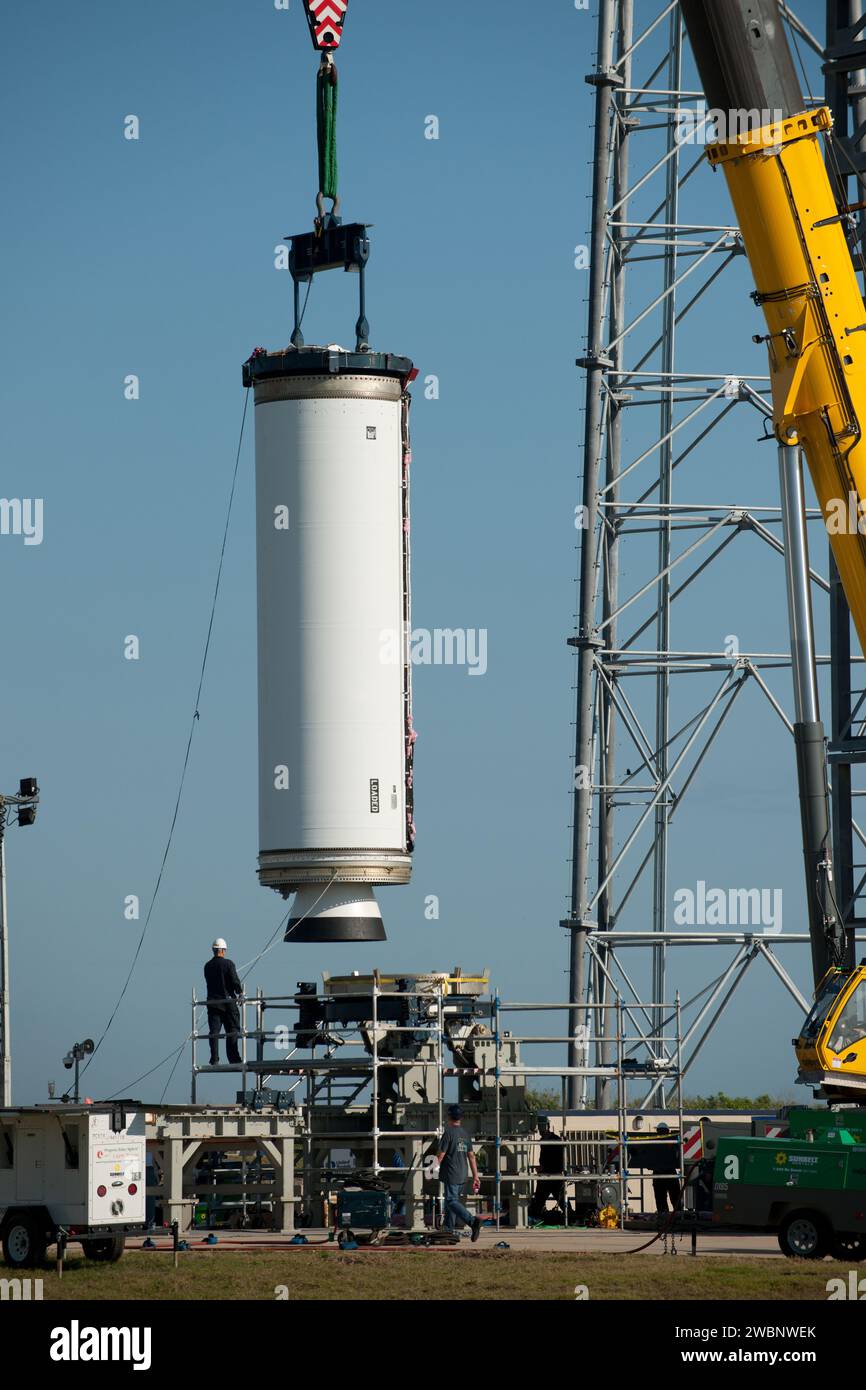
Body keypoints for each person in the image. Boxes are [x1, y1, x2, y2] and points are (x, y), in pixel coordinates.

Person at [436, 1105, 481, 1241]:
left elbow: (440, 1155)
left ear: (449, 1117)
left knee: (451, 1200)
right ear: (461, 1118)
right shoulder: (465, 1134)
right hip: (462, 1174)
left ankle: (472, 1221)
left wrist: (432, 1168)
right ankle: (448, 1230)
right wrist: (475, 1176)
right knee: (452, 1204)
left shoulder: (448, 1133)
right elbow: (472, 1156)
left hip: (451, 1173)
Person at [204, 938, 243, 1065]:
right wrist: (240, 992)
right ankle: (234, 1059)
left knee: (214, 1032)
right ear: (222, 950)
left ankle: (214, 1059)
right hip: (228, 1003)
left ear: (213, 950)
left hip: (213, 1004)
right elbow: (234, 981)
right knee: (232, 1030)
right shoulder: (228, 964)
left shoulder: (207, 966)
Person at [529, 1116, 567, 1224]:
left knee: (561, 1200)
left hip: (553, 1176)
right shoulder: (545, 1140)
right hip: (546, 1175)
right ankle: (536, 1217)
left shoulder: (555, 1141)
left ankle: (571, 1217)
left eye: (542, 1130)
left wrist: (543, 1168)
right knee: (539, 1201)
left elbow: (556, 1160)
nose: (541, 1132)